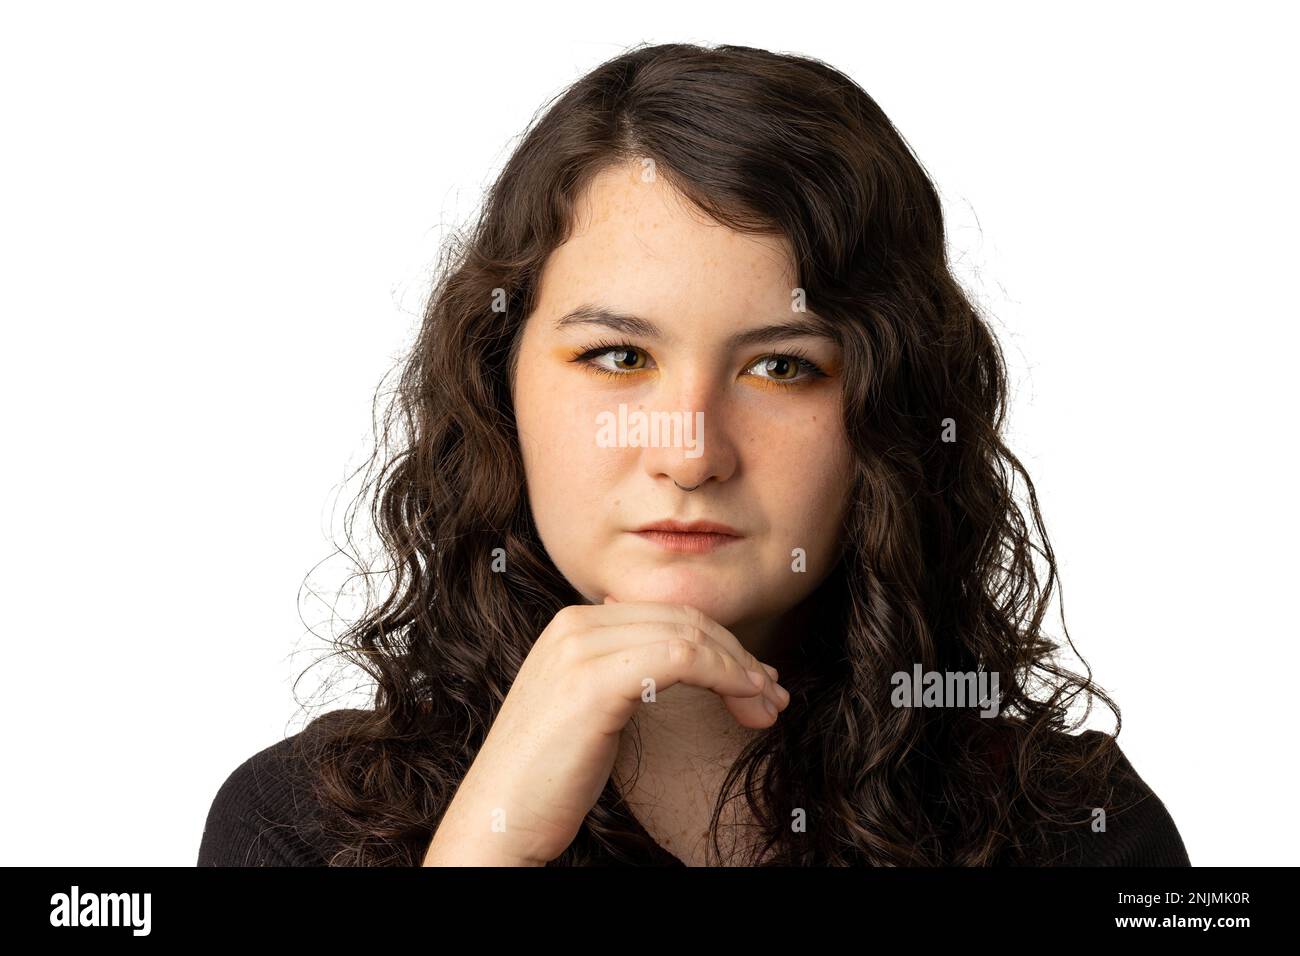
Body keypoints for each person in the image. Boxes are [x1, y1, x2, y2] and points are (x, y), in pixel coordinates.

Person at [198, 42, 1190, 867]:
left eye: (780, 368)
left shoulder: (1080, 833)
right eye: (618, 356)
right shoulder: (296, 825)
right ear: (503, 387)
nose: (688, 452)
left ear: (887, 412)